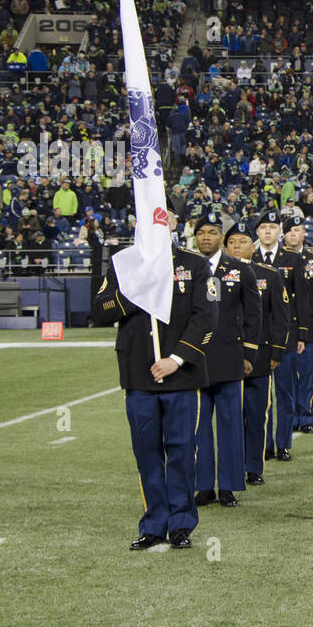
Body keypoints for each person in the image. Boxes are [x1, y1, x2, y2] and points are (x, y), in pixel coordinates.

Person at [91, 227, 217, 550]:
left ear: (173, 225)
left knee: (181, 452)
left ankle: (180, 524)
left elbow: (207, 318)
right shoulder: (123, 264)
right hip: (138, 374)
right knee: (146, 453)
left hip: (180, 375)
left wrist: (176, 359)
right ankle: (153, 523)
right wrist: (136, 288)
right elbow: (101, 312)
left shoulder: (195, 264)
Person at [192, 213, 260, 509]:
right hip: (194, 358)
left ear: (222, 237)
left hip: (230, 356)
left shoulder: (240, 269)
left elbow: (253, 314)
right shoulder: (185, 268)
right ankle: (204, 486)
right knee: (198, 428)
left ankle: (229, 486)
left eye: (211, 232)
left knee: (231, 425)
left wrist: (249, 353)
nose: (206, 237)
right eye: (201, 232)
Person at [227, 220, 289, 487]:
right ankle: (231, 467)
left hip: (260, 355)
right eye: (231, 242)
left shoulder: (269, 274)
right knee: (230, 417)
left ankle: (253, 466)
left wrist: (277, 350)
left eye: (242, 241)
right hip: (225, 356)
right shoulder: (213, 275)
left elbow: (280, 317)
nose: (237, 246)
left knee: (255, 414)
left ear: (252, 246)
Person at [256, 212, 296, 459]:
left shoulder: (292, 257)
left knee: (284, 393)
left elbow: (299, 299)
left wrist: (300, 336)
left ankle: (282, 444)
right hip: (256, 339)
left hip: (284, 337)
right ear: (257, 231)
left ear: (279, 231)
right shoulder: (246, 257)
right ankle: (264, 445)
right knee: (260, 397)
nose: (268, 231)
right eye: (263, 227)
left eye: (272, 227)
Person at [282, 219, 313, 437]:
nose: (293, 234)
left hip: (309, 325)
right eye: (289, 230)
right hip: (284, 327)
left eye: (297, 230)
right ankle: (289, 417)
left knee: (308, 373)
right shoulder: (278, 260)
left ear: (303, 234)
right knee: (287, 376)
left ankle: (306, 416)